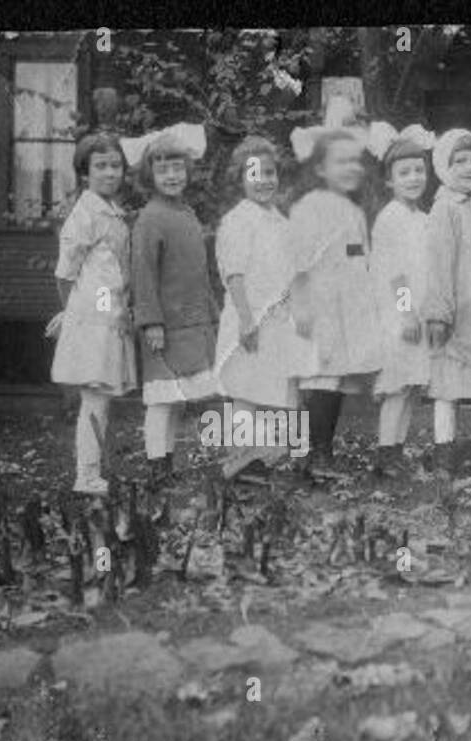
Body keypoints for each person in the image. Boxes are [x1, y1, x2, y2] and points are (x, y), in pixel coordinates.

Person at [287, 127, 382, 481]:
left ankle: (322, 451)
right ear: (320, 169)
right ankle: (312, 455)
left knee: (338, 377)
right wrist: (302, 307)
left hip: (347, 305)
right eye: (341, 161)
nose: (352, 168)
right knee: (320, 377)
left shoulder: (351, 210)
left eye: (356, 161)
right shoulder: (309, 208)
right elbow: (297, 264)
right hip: (319, 305)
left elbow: (357, 255)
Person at [128, 127, 219, 487]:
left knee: (183, 398)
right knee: (162, 399)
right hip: (165, 327)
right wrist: (151, 322)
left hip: (194, 325)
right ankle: (157, 466)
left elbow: (198, 272)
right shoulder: (150, 218)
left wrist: (213, 314)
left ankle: (171, 461)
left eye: (177, 168)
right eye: (163, 170)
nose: (172, 176)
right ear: (150, 175)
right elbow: (143, 274)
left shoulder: (187, 213)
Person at [50, 132, 135, 495]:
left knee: (101, 399)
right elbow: (66, 273)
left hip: (111, 318)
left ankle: (96, 467)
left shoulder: (112, 211)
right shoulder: (84, 213)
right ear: (85, 173)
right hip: (93, 321)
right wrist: (70, 313)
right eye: (101, 166)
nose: (110, 173)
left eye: (115, 166)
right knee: (95, 398)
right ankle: (86, 475)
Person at [213, 135, 301, 482]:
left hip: (278, 320)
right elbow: (234, 274)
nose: (264, 180)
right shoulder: (238, 220)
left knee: (274, 387)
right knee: (246, 390)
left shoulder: (278, 219)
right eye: (254, 174)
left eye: (269, 173)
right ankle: (240, 464)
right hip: (248, 316)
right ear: (240, 179)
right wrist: (246, 320)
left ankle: (268, 459)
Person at [421, 129, 471, 476]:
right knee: (448, 386)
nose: (470, 168)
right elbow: (438, 263)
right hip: (455, 307)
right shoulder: (444, 209)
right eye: (461, 161)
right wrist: (439, 311)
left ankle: (465, 451)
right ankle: (442, 451)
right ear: (445, 165)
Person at [367, 123, 436, 479]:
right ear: (390, 181)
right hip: (399, 313)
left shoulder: (423, 219)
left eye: (419, 171)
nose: (413, 178)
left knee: (412, 384)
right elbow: (395, 273)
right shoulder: (390, 218)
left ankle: (396, 449)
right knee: (397, 384)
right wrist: (406, 312)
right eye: (404, 172)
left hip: (419, 312)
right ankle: (385, 453)